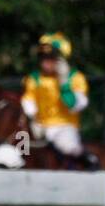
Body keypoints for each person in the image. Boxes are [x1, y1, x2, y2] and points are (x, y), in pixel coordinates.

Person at [21, 33, 98, 170]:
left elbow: (74, 105)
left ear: (61, 60)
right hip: (39, 127)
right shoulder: (34, 78)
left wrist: (64, 84)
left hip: (64, 127)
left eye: (51, 58)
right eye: (43, 57)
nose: (45, 62)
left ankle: (90, 162)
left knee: (67, 146)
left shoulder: (75, 78)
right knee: (18, 144)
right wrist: (32, 118)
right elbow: (28, 100)